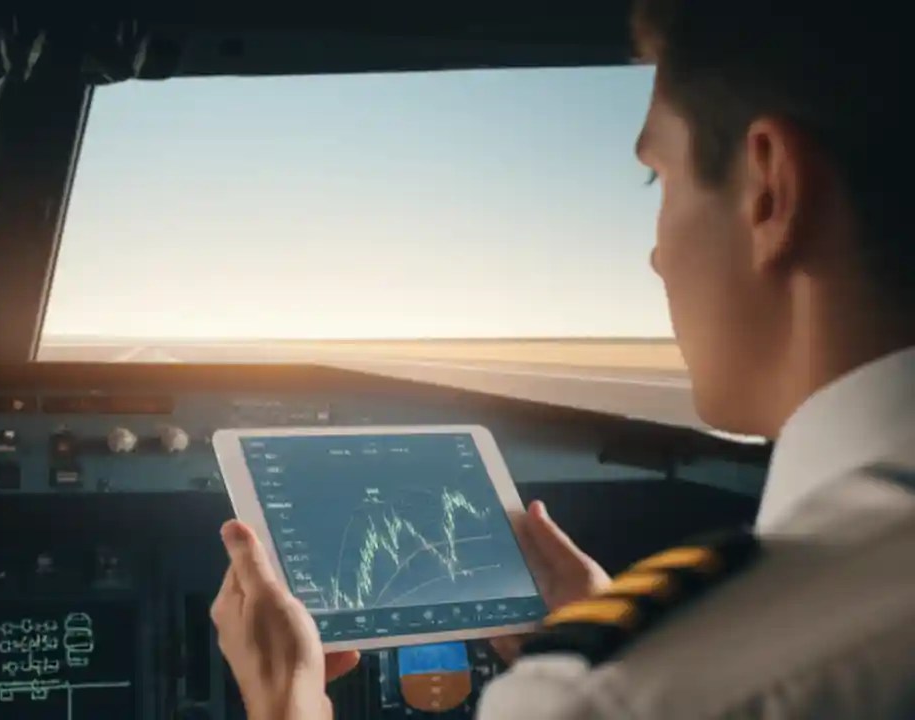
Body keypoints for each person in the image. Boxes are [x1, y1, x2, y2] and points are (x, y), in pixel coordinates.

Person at [209, 0, 915, 717]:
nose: (658, 255)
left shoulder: (619, 695)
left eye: (658, 180)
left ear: (771, 189)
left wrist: (284, 701)